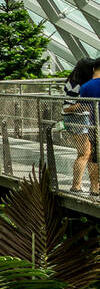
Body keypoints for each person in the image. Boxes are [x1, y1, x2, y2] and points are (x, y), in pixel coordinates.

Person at [62, 58, 96, 194]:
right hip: (77, 121)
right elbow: (67, 107)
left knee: (88, 153)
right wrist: (84, 104)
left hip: (78, 120)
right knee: (84, 153)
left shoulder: (73, 82)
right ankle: (76, 186)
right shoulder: (76, 85)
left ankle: (86, 185)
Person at [78, 59, 100, 195]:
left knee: (94, 157)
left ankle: (94, 187)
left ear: (93, 69)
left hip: (93, 126)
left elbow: (85, 108)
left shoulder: (85, 86)